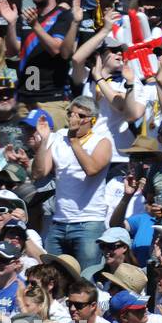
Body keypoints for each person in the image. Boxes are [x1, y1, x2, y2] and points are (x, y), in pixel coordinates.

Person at [32, 96, 113, 271]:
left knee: (86, 280)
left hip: (89, 223)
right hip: (59, 222)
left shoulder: (102, 141)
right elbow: (39, 173)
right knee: (52, 279)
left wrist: (74, 140)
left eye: (80, 115)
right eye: (70, 114)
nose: (73, 119)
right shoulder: (58, 137)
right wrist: (44, 141)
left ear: (93, 120)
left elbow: (91, 169)